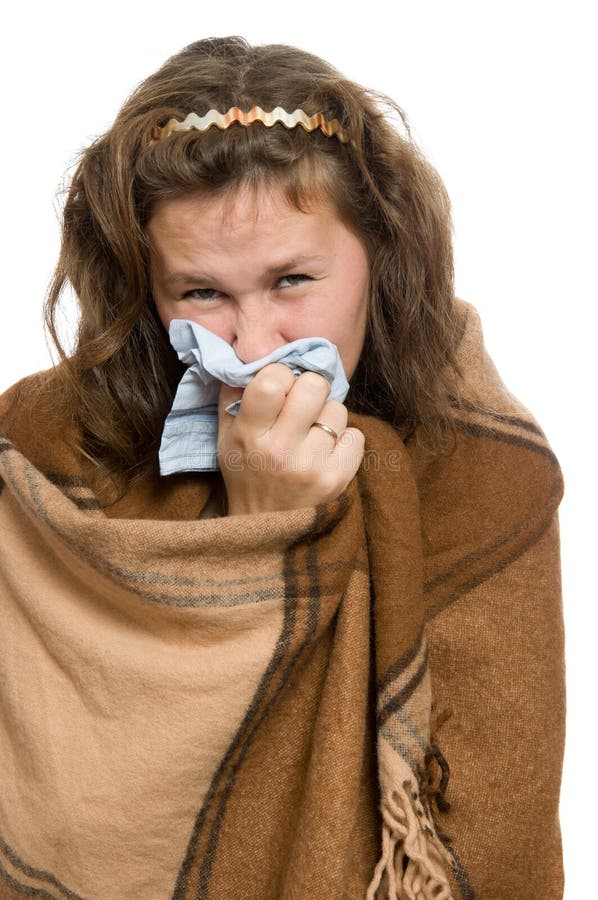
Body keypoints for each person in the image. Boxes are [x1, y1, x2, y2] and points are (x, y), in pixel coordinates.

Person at [0, 36, 565, 900]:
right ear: (141, 285)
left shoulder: (488, 472)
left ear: (381, 255)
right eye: (201, 293)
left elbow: (497, 839)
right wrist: (261, 530)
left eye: (293, 279)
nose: (256, 344)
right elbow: (77, 797)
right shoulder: (43, 447)